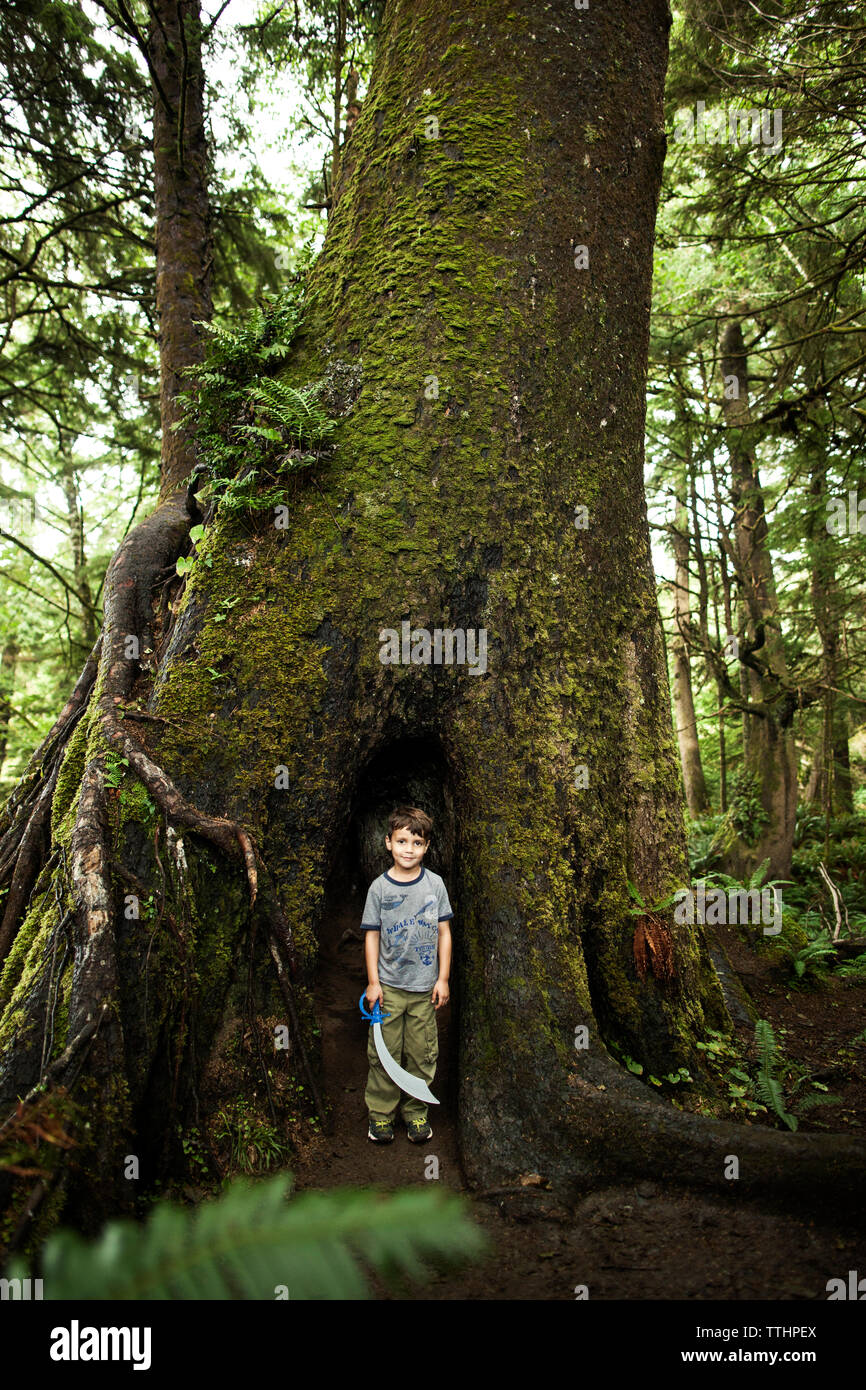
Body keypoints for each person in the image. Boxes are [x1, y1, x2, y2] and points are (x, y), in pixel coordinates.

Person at [361, 805, 453, 1144]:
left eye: (416, 843)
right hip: (388, 988)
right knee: (384, 1052)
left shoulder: (435, 885)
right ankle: (381, 1116)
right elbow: (372, 936)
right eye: (402, 841)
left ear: (426, 847)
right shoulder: (379, 889)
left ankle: (415, 1113)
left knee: (421, 1052)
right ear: (388, 843)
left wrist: (443, 978)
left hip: (424, 989)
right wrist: (373, 982)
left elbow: (445, 932)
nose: (408, 849)